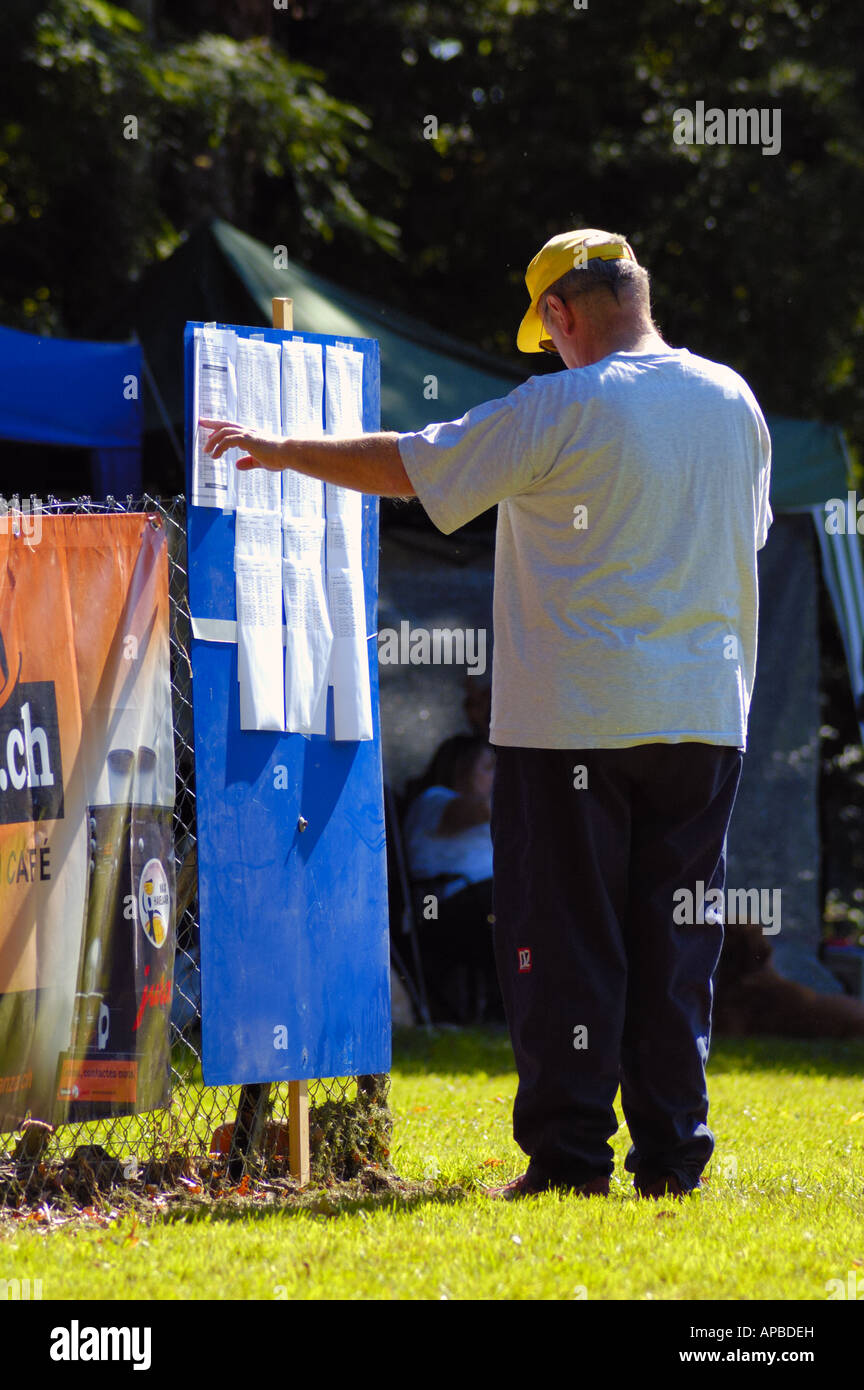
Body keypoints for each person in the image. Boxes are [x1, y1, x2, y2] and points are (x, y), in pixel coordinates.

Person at [202, 225, 772, 1201]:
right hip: (706, 718)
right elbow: (744, 535)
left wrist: (285, 448)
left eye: (544, 331)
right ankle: (675, 1157)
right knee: (676, 941)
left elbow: (412, 465)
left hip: (575, 723)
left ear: (559, 312)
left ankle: (568, 1160)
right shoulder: (735, 400)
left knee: (567, 942)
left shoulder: (561, 405)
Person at [402, 735, 500, 1023]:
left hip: (486, 900)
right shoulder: (433, 800)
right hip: (445, 908)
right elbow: (478, 811)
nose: (498, 776)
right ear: (461, 769)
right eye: (489, 767)